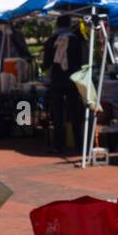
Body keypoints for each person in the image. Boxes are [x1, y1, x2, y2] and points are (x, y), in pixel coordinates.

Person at [42, 15, 86, 154]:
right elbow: (82, 61)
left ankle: (58, 144)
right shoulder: (76, 40)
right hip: (73, 80)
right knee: (74, 113)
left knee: (57, 113)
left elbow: (46, 63)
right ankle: (79, 143)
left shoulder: (52, 40)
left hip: (56, 81)